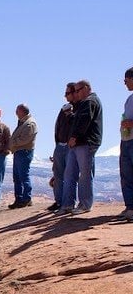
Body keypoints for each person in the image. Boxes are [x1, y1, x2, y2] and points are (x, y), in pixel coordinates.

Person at [59, 80, 103, 215]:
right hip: (78, 143)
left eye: (78, 91)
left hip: (85, 142)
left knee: (84, 174)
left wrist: (75, 137)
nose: (76, 94)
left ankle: (84, 204)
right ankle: (67, 204)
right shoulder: (84, 103)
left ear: (86, 88)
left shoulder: (90, 101)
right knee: (69, 173)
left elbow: (85, 121)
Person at [49, 83, 77, 212]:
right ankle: (59, 201)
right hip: (60, 145)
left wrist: (71, 115)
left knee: (70, 175)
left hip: (71, 146)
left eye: (67, 93)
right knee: (58, 174)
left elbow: (77, 125)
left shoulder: (79, 108)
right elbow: (58, 127)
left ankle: (69, 202)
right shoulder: (63, 109)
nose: (65, 96)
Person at [8, 104, 38, 208]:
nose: (16, 113)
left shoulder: (30, 123)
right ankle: (19, 199)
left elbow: (26, 138)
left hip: (24, 152)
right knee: (17, 177)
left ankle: (27, 198)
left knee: (24, 176)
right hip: (18, 152)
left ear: (22, 111)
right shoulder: (22, 123)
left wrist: (13, 142)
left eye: (17, 111)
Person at [120, 67, 133, 220]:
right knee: (127, 174)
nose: (125, 83)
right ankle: (130, 207)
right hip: (126, 139)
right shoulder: (129, 99)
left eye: (126, 80)